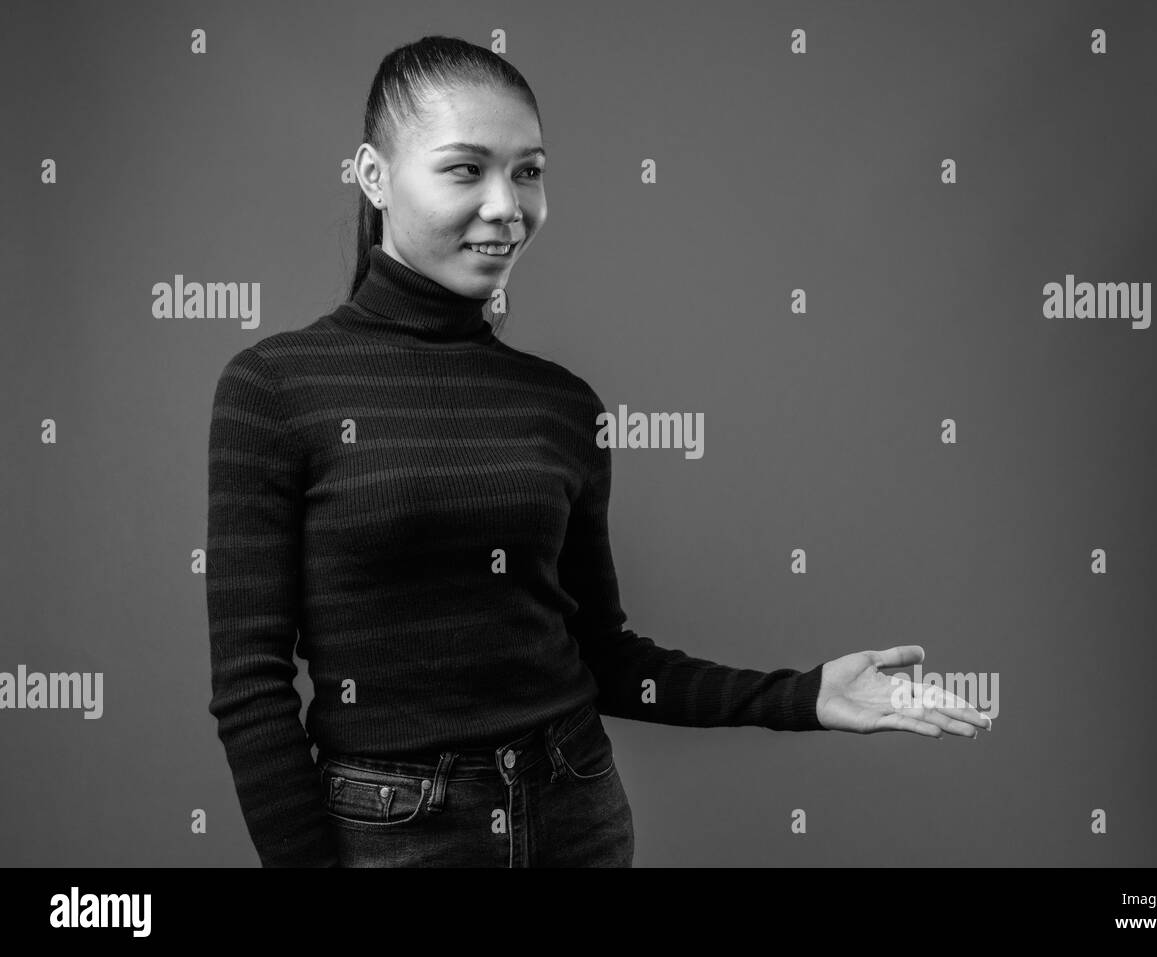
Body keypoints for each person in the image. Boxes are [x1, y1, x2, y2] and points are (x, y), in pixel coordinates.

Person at [205, 34, 992, 869]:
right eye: (466, 169)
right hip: (393, 834)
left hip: (573, 808)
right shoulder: (274, 389)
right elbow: (251, 692)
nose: (509, 204)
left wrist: (804, 695)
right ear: (373, 176)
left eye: (530, 170)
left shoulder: (559, 403)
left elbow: (601, 655)